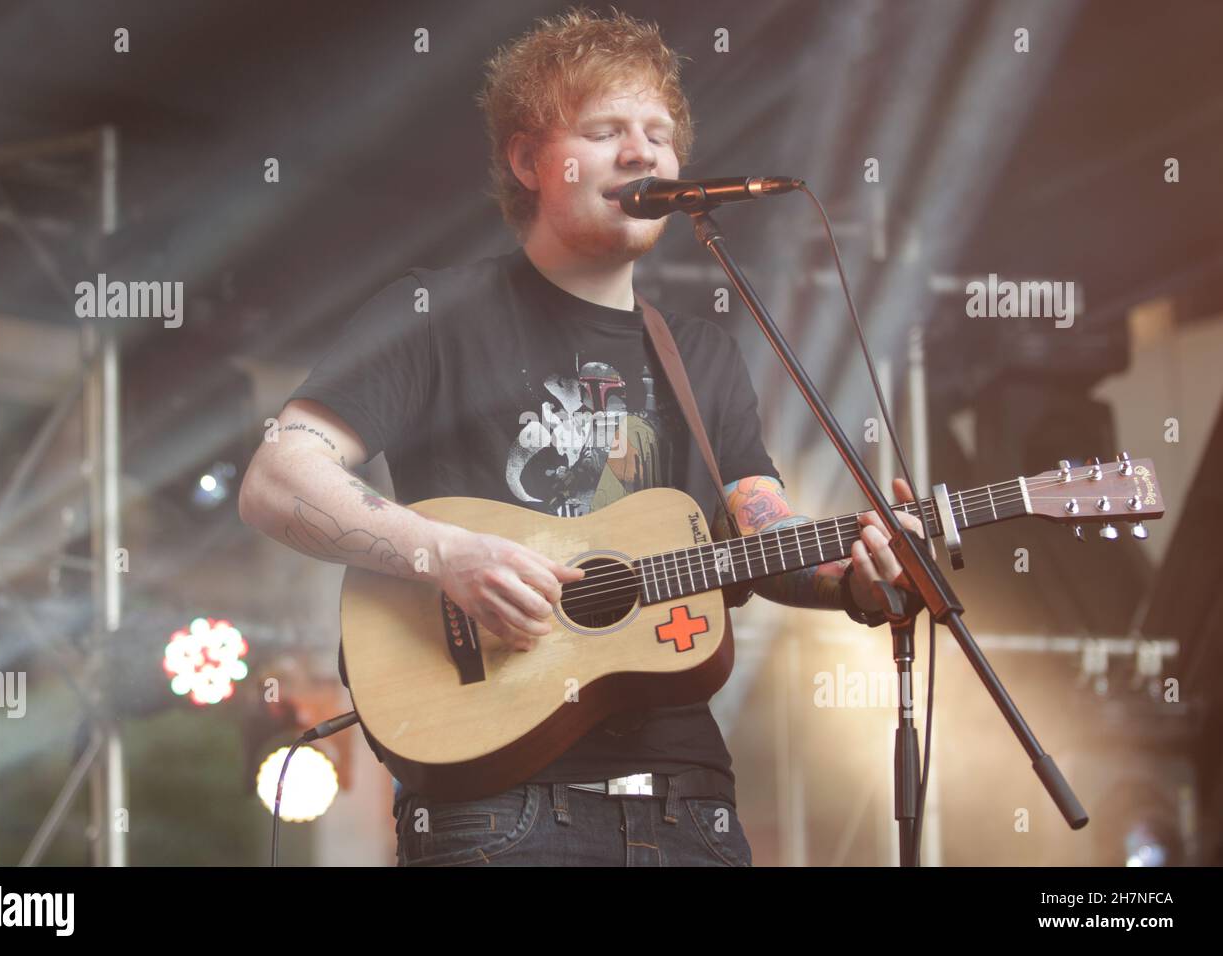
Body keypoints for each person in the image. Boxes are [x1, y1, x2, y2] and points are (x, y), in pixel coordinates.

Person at [238, 7, 924, 866]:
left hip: (692, 811)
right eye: (605, 131)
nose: (644, 154)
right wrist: (445, 553)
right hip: (496, 812)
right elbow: (279, 478)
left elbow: (764, 531)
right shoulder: (433, 315)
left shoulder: (699, 351)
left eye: (660, 135)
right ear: (529, 160)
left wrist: (861, 575)